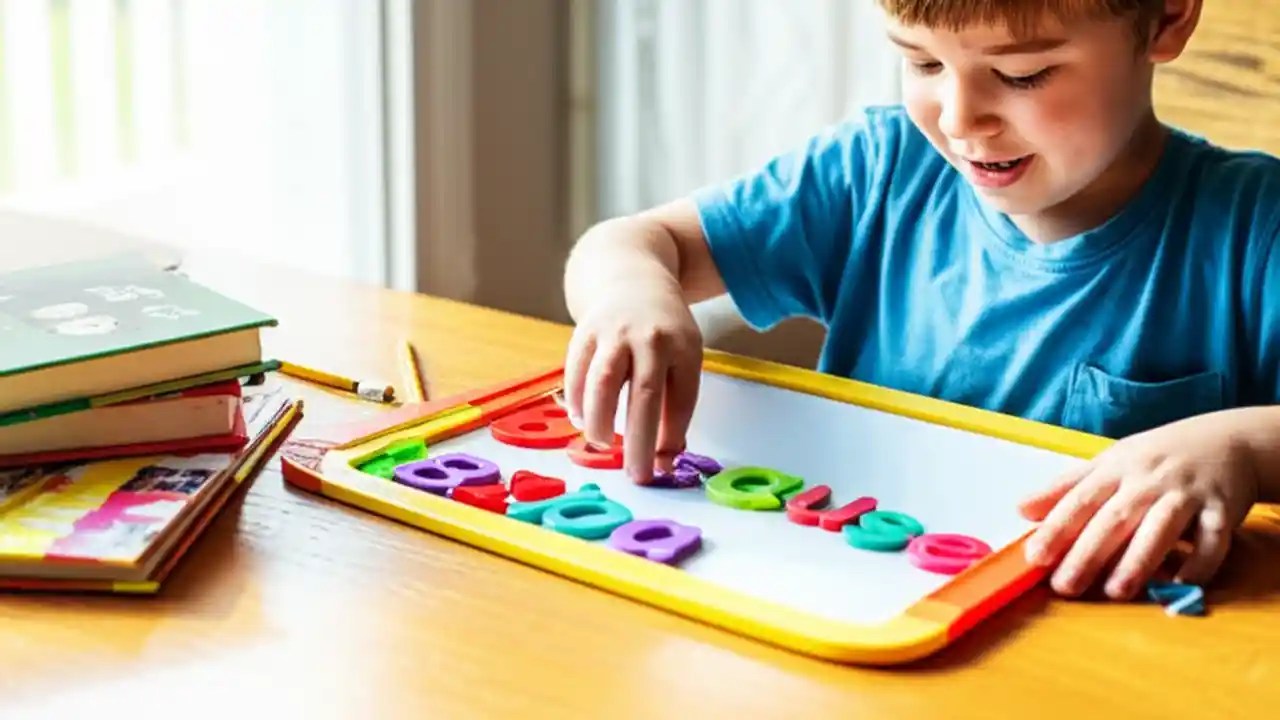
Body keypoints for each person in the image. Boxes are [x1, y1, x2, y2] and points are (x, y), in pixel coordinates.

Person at [561, 0, 1279, 602]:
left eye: (1020, 74)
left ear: (1168, 18)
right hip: (859, 613)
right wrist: (631, 291)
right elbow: (635, 241)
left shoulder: (1254, 226)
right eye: (923, 63)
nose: (961, 118)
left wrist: (1243, 447)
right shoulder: (876, 170)